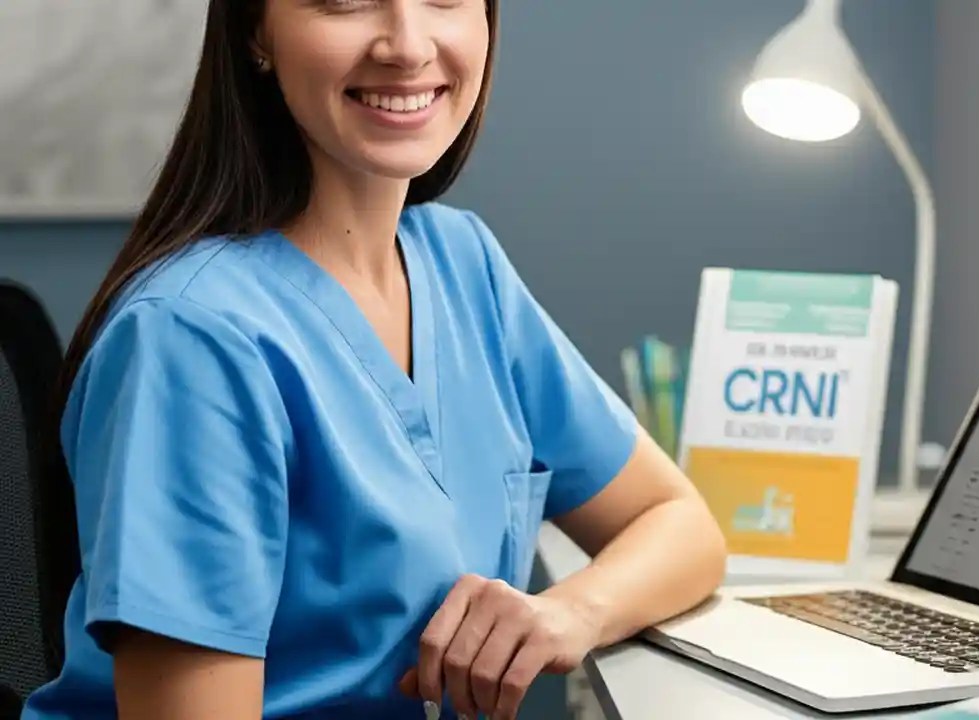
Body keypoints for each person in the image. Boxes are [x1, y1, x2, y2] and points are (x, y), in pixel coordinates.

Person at [21, 1, 728, 718]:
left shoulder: (462, 263)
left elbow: (679, 524)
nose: (407, 45)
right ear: (255, 34)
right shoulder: (191, 337)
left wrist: (572, 612)